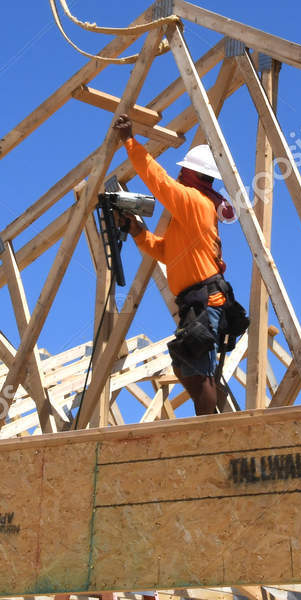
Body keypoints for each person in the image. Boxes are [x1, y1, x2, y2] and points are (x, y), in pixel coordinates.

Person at [112, 115, 242, 415]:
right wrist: (137, 231)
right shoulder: (192, 212)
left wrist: (130, 141)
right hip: (196, 302)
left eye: (184, 170)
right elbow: (166, 252)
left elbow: (159, 182)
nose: (180, 174)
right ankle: (215, 422)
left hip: (205, 300)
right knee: (186, 368)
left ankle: (208, 431)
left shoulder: (194, 201)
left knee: (198, 371)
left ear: (194, 174)